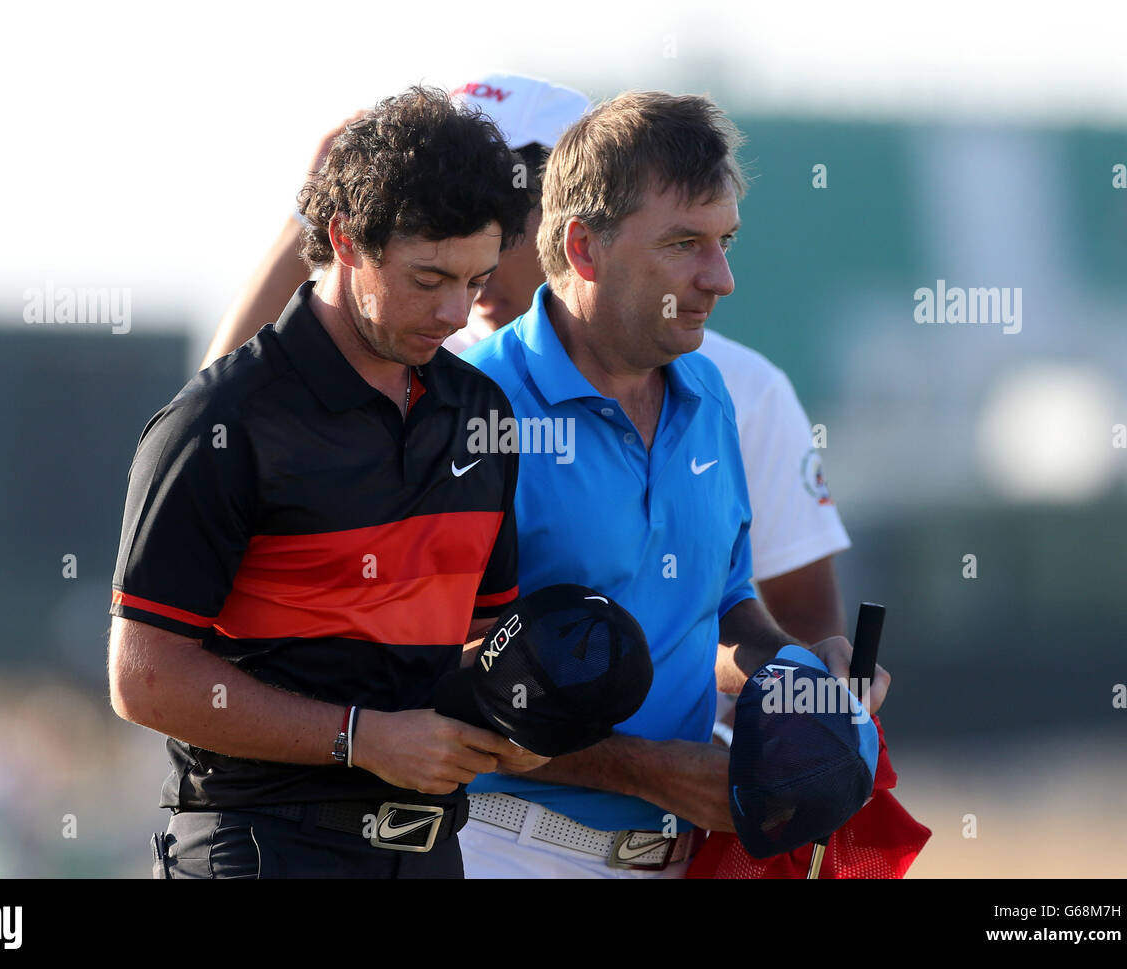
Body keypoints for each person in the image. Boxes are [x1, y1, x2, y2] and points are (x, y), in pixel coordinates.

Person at [200, 72, 852, 688]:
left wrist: (746, 736)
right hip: (487, 804)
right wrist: (308, 215)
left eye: (497, 214)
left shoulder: (734, 388)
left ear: (576, 225)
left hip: (695, 803)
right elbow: (214, 426)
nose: (471, 243)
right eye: (440, 213)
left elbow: (780, 620)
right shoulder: (418, 367)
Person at [107, 85, 546, 878]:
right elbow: (143, 678)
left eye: (476, 281)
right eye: (427, 277)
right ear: (344, 238)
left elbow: (481, 638)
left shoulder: (483, 409)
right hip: (259, 847)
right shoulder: (222, 416)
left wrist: (533, 704)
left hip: (435, 852)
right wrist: (361, 735)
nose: (456, 310)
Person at [455, 90, 891, 878]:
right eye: (685, 242)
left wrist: (799, 669)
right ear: (584, 247)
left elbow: (723, 610)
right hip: (496, 847)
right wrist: (643, 768)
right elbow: (426, 677)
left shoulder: (711, 394)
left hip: (673, 857)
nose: (720, 278)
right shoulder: (467, 405)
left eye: (725, 241)